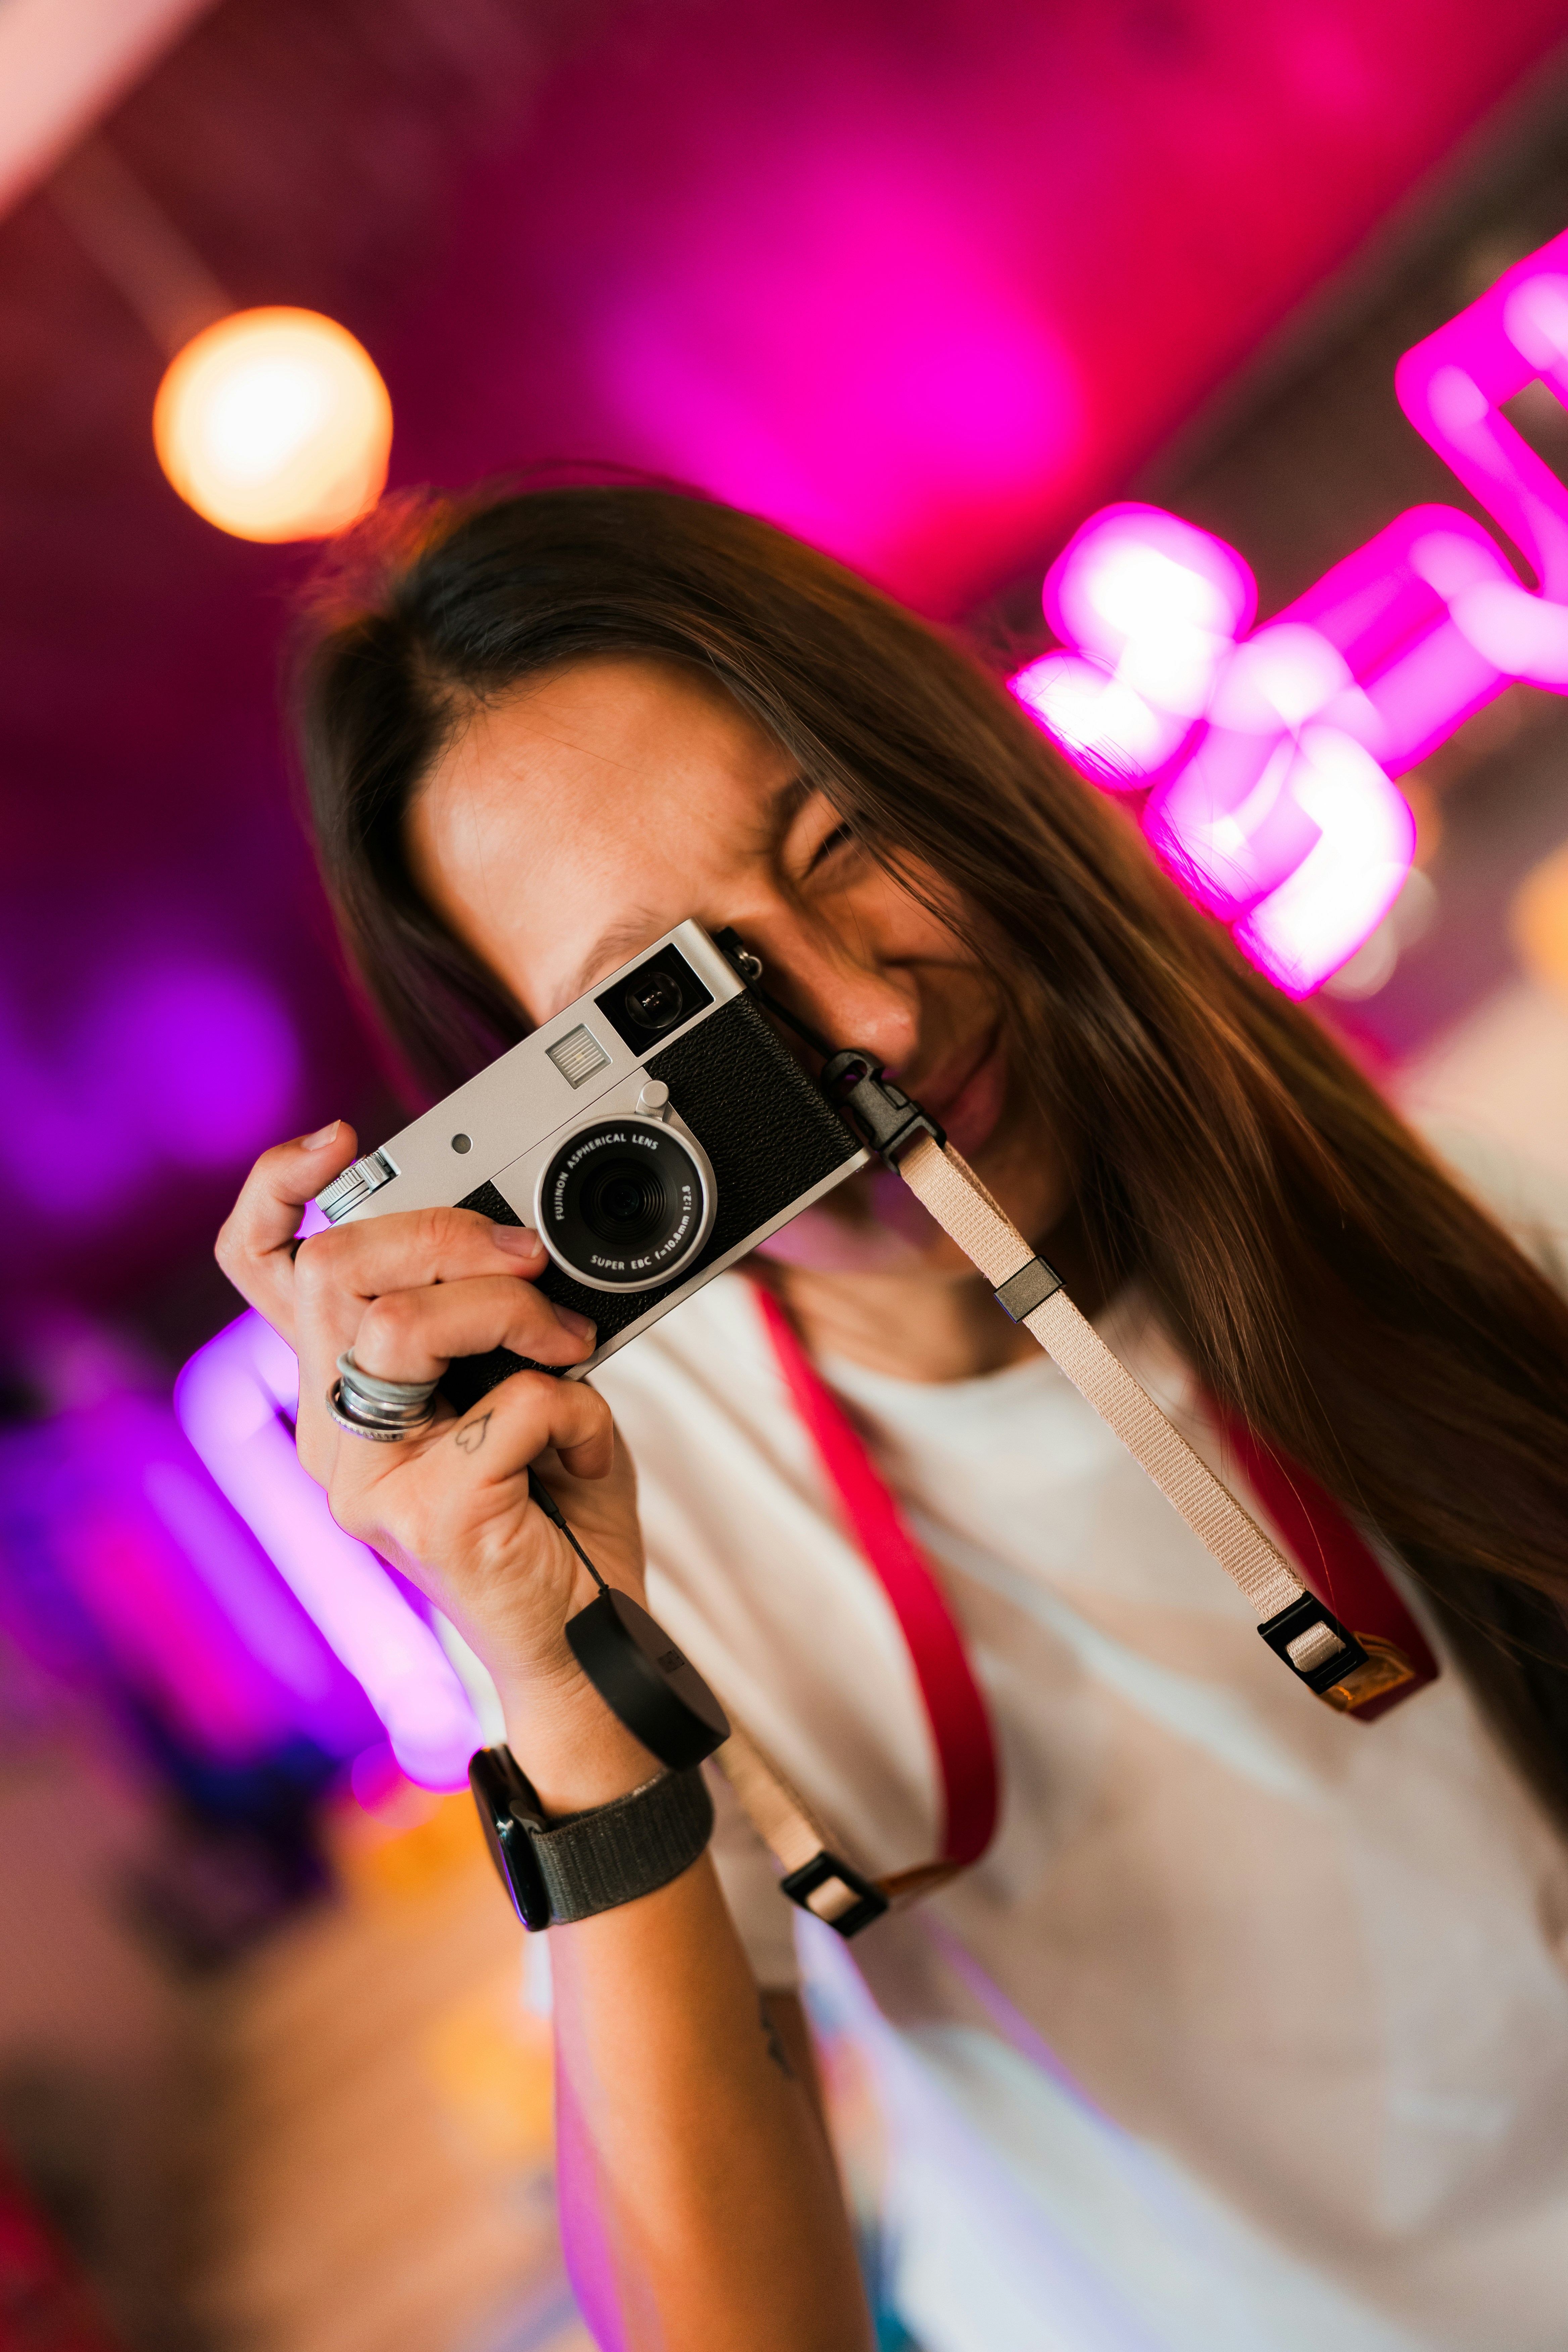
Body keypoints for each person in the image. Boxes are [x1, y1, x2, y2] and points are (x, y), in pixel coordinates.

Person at [217, 482, 1568, 2352]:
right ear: (534, 1111)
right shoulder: (637, 1511)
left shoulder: (1448, 1221)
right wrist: (555, 1689)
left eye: (846, 835)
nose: (871, 1015)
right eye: (686, 1000)